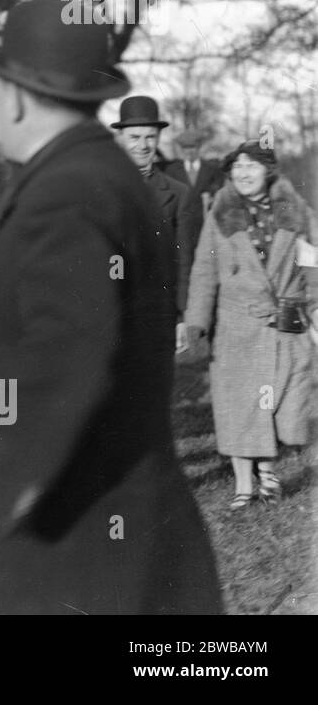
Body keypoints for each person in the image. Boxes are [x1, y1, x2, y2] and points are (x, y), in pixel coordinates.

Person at [0, 0, 221, 615]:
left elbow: (71, 348)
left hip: (66, 549)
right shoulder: (100, 175)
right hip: (107, 536)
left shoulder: (68, 193)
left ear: (14, 94)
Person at [184, 141, 318, 511]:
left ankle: (268, 469)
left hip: (284, 325)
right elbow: (204, 270)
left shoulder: (296, 211)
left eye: (251, 166)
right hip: (237, 327)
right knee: (239, 407)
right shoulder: (220, 215)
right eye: (236, 167)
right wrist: (197, 321)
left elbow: (314, 265)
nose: (242, 173)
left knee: (280, 404)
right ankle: (245, 485)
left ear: (269, 171)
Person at [111, 95, 202, 349]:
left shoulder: (178, 193)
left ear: (159, 138)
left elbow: (184, 260)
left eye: (150, 137)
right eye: (134, 137)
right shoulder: (98, 187)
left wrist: (182, 316)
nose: (143, 145)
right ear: (120, 139)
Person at [167, 127, 224, 216]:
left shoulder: (211, 169)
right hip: (180, 220)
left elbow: (218, 190)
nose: (189, 151)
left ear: (199, 147)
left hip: (204, 220)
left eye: (192, 147)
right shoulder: (172, 170)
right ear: (182, 149)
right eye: (185, 147)